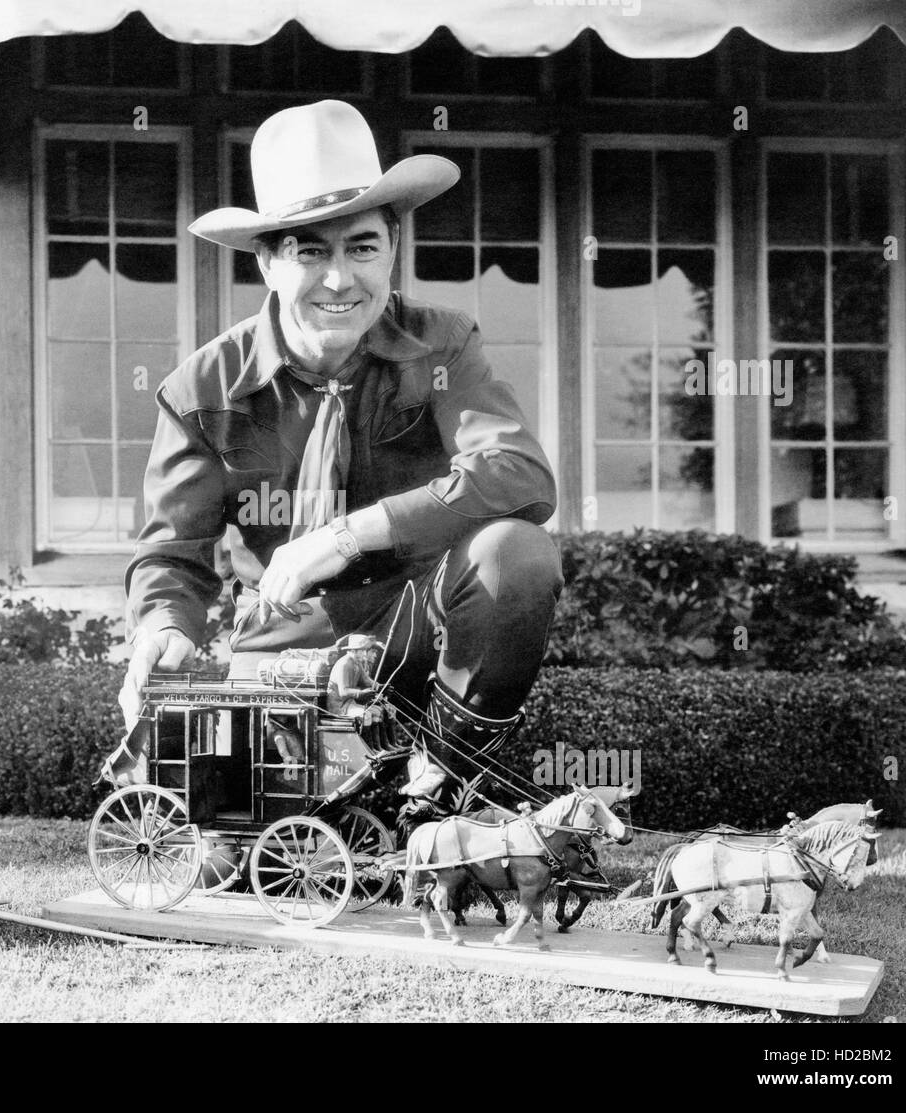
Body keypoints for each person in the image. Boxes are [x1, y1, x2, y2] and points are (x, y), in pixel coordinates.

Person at [105, 99, 563, 815]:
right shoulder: (201, 389)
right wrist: (163, 626)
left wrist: (349, 534)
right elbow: (173, 552)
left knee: (519, 553)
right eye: (310, 250)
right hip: (285, 657)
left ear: (394, 247)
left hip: (415, 640)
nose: (341, 279)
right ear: (266, 260)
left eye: (361, 247)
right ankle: (311, 806)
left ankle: (433, 792)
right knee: (240, 857)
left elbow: (519, 473)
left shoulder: (442, 344)